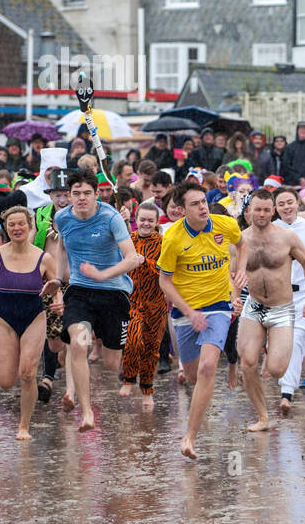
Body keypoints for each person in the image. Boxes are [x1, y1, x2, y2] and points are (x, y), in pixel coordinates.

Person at [42, 171, 144, 432]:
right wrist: (58, 280)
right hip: (80, 290)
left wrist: (102, 274)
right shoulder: (63, 218)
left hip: (113, 291)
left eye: (87, 193)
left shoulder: (110, 217)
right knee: (78, 342)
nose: (81, 198)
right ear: (69, 195)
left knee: (111, 364)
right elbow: (62, 248)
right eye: (75, 193)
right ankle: (86, 413)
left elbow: (132, 258)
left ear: (96, 194)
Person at [156, 182, 244, 458]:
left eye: (204, 201)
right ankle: (199, 406)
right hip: (185, 313)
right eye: (195, 204)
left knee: (207, 368)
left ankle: (190, 438)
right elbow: (164, 280)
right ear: (181, 210)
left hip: (219, 305)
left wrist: (241, 271)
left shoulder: (223, 224)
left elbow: (243, 243)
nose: (203, 207)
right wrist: (189, 312)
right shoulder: (173, 238)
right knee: (194, 376)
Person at [237, 189, 305, 430]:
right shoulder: (240, 239)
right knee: (247, 363)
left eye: (266, 210)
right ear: (249, 210)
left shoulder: (287, 237)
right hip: (253, 307)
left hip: (282, 308)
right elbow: (231, 271)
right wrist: (232, 296)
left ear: (272, 211)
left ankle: (271, 345)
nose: (261, 214)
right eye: (257, 209)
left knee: (275, 369)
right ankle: (263, 417)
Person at [0, 206, 54, 439]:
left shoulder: (43, 257)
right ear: (6, 228)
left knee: (27, 374)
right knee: (6, 381)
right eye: (12, 225)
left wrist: (57, 298)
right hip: (4, 319)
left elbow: (55, 287)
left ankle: (24, 426)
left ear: (29, 226)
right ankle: (17, 360)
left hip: (34, 317)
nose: (17, 228)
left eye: (21, 224)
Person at [273, 187, 305, 413]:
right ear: (276, 208)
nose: (286, 207)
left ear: (297, 203)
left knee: (299, 340)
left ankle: (287, 392)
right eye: (281, 204)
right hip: (279, 295)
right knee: (287, 343)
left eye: (290, 202)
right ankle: (287, 385)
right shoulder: (272, 229)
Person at [118, 202, 165, 410]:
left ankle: (147, 389)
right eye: (142, 219)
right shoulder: (130, 241)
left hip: (156, 302)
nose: (146, 223)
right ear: (136, 221)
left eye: (150, 220)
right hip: (133, 301)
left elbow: (166, 270)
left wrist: (145, 261)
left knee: (151, 348)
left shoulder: (164, 242)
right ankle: (128, 379)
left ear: (156, 222)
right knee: (133, 341)